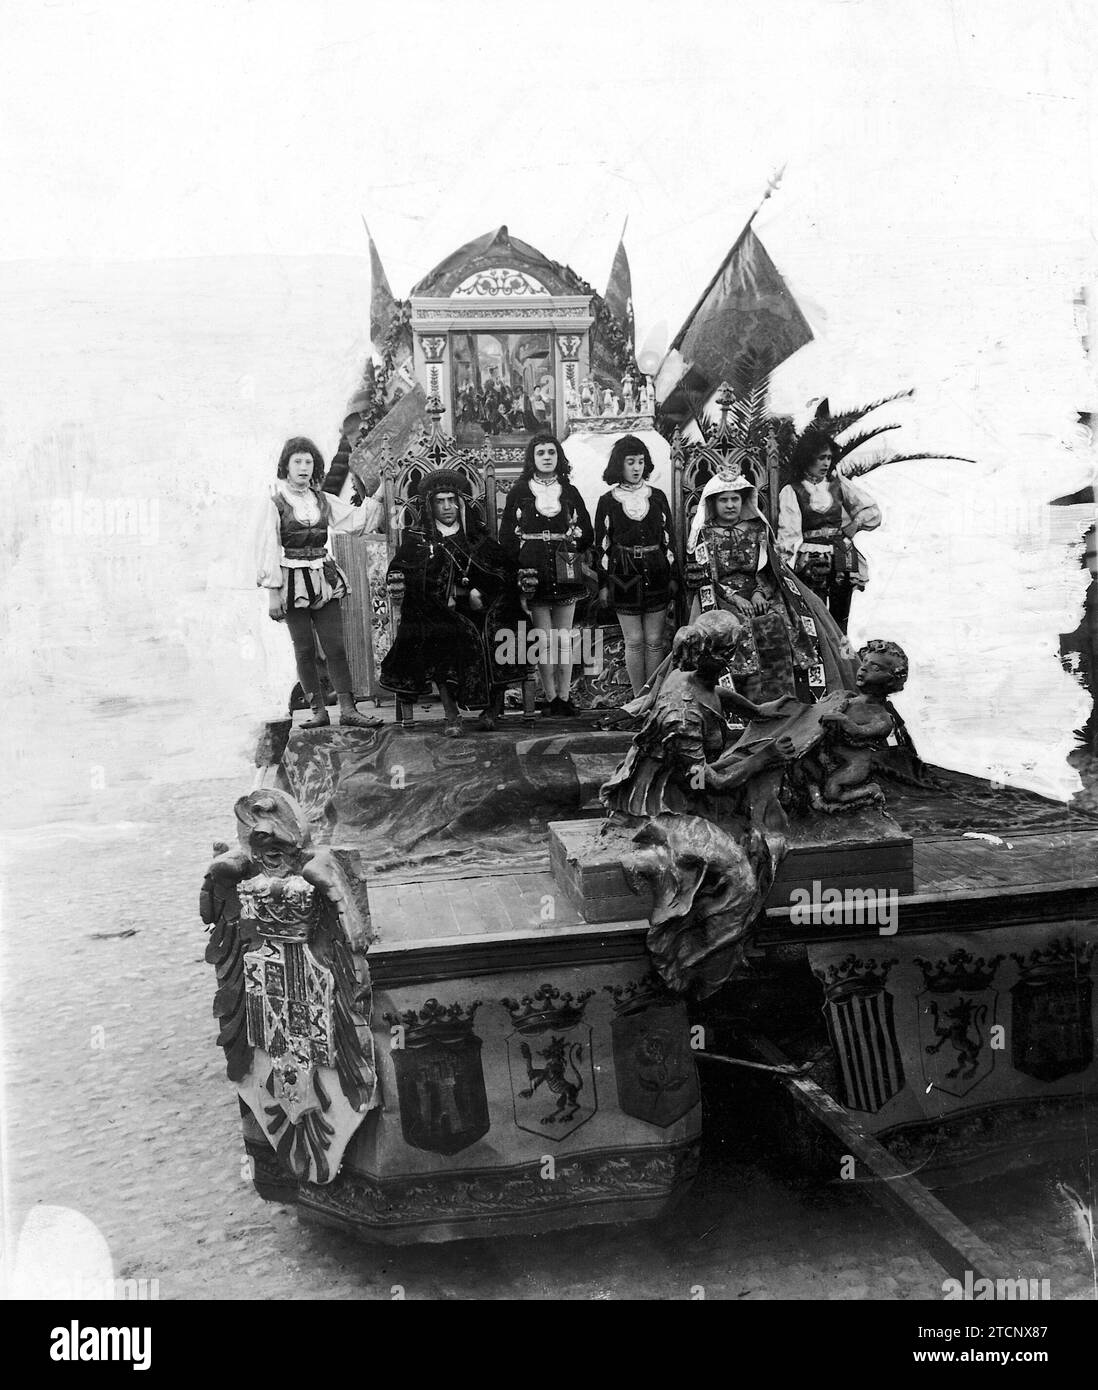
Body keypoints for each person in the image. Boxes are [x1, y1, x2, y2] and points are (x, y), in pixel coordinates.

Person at [380, 471, 529, 734]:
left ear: (460, 503)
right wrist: (449, 595)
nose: (447, 507)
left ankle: (493, 710)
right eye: (440, 501)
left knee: (506, 625)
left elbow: (503, 571)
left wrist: (478, 591)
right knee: (441, 633)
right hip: (436, 610)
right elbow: (408, 577)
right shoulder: (418, 540)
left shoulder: (477, 537)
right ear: (430, 505)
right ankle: (452, 715)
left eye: (452, 500)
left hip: (481, 608)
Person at [256, 436, 383, 729]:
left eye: (308, 462)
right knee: (304, 650)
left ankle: (349, 710)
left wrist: (378, 496)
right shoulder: (276, 504)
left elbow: (355, 522)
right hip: (292, 581)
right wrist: (273, 595)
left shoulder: (323, 500)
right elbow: (269, 549)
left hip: (323, 579)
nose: (303, 467)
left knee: (335, 646)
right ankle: (318, 711)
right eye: (297, 462)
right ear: (286, 466)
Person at [685, 464, 836, 705]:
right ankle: (742, 702)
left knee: (778, 620)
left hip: (760, 591)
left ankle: (782, 700)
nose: (730, 505)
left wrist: (758, 593)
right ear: (713, 503)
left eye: (735, 498)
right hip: (721, 595)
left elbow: (770, 569)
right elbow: (707, 576)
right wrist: (735, 598)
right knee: (737, 627)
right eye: (724, 500)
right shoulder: (705, 534)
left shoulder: (758, 529)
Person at [498, 432, 594, 717]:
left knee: (564, 637)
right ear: (533, 458)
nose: (547, 458)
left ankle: (565, 697)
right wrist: (521, 562)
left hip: (566, 563)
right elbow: (506, 535)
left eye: (551, 452)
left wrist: (574, 544)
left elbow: (587, 530)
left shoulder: (570, 491)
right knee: (543, 636)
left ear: (558, 457)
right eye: (541, 453)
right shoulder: (520, 491)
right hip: (534, 566)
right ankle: (550, 697)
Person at [593, 435, 678, 698]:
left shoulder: (658, 497)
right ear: (620, 465)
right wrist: (605, 584)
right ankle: (638, 699)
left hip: (656, 570)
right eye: (631, 462)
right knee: (634, 640)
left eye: (641, 461)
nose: (637, 467)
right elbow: (602, 547)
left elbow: (669, 540)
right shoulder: (608, 501)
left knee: (655, 642)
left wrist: (673, 576)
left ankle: (653, 697)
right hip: (623, 573)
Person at [777, 428, 882, 632]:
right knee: (815, 616)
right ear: (807, 458)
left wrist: (855, 524)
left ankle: (844, 660)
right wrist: (781, 567)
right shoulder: (792, 491)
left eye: (829, 458)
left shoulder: (839, 484)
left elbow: (872, 511)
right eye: (821, 458)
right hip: (810, 558)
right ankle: (823, 660)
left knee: (841, 617)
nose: (826, 463)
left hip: (842, 555)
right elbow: (788, 533)